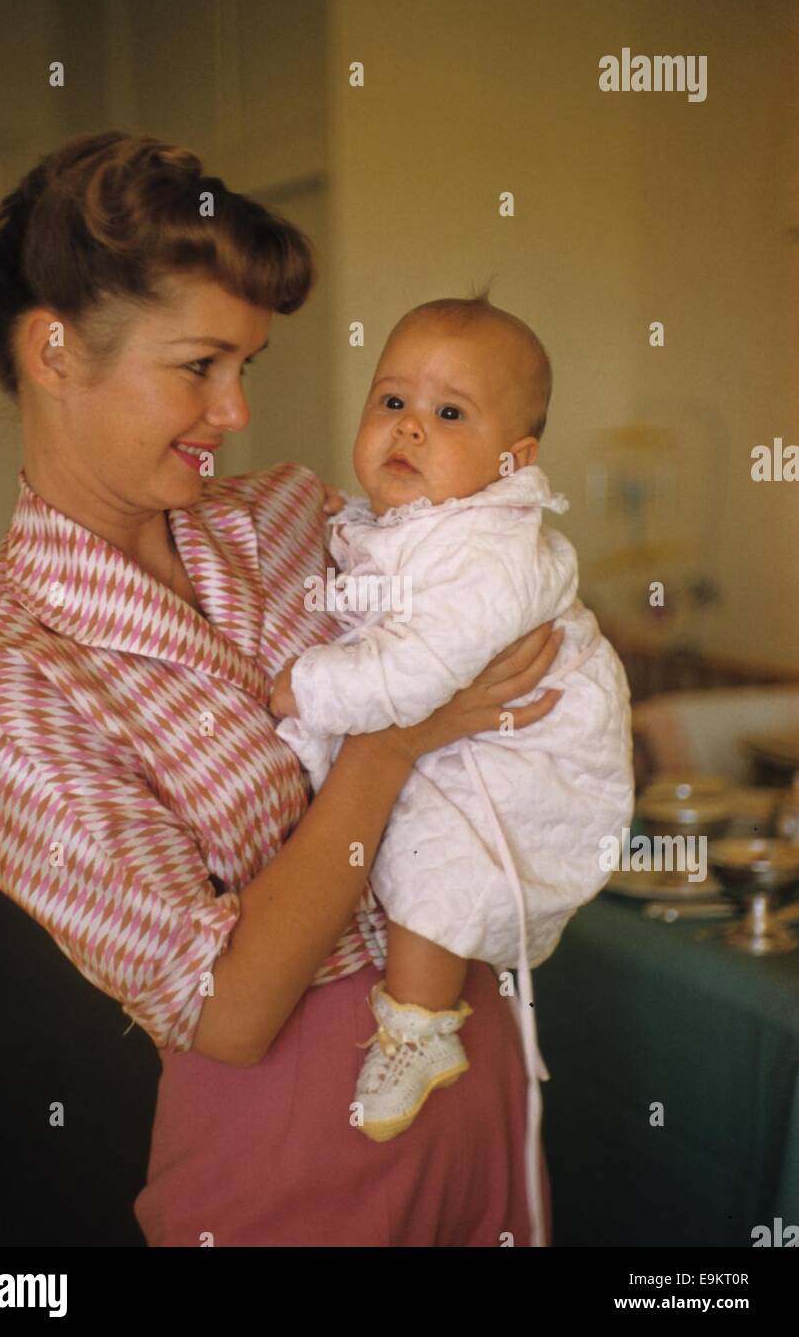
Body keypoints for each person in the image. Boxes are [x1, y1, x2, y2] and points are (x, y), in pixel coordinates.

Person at [0, 131, 566, 1248]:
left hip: (479, 1087)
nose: (236, 414)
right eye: (198, 366)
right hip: (295, 1153)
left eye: (247, 368)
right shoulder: (18, 687)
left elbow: (487, 587)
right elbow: (227, 1011)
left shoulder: (282, 515)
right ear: (55, 350)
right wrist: (389, 743)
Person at [269, 299, 634, 1243]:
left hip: (532, 751)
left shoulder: (486, 550)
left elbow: (416, 675)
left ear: (513, 461)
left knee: (439, 859)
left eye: (450, 414)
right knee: (407, 823)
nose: (409, 426)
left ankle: (420, 1028)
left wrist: (300, 688)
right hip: (468, 731)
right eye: (392, 398)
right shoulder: (399, 522)